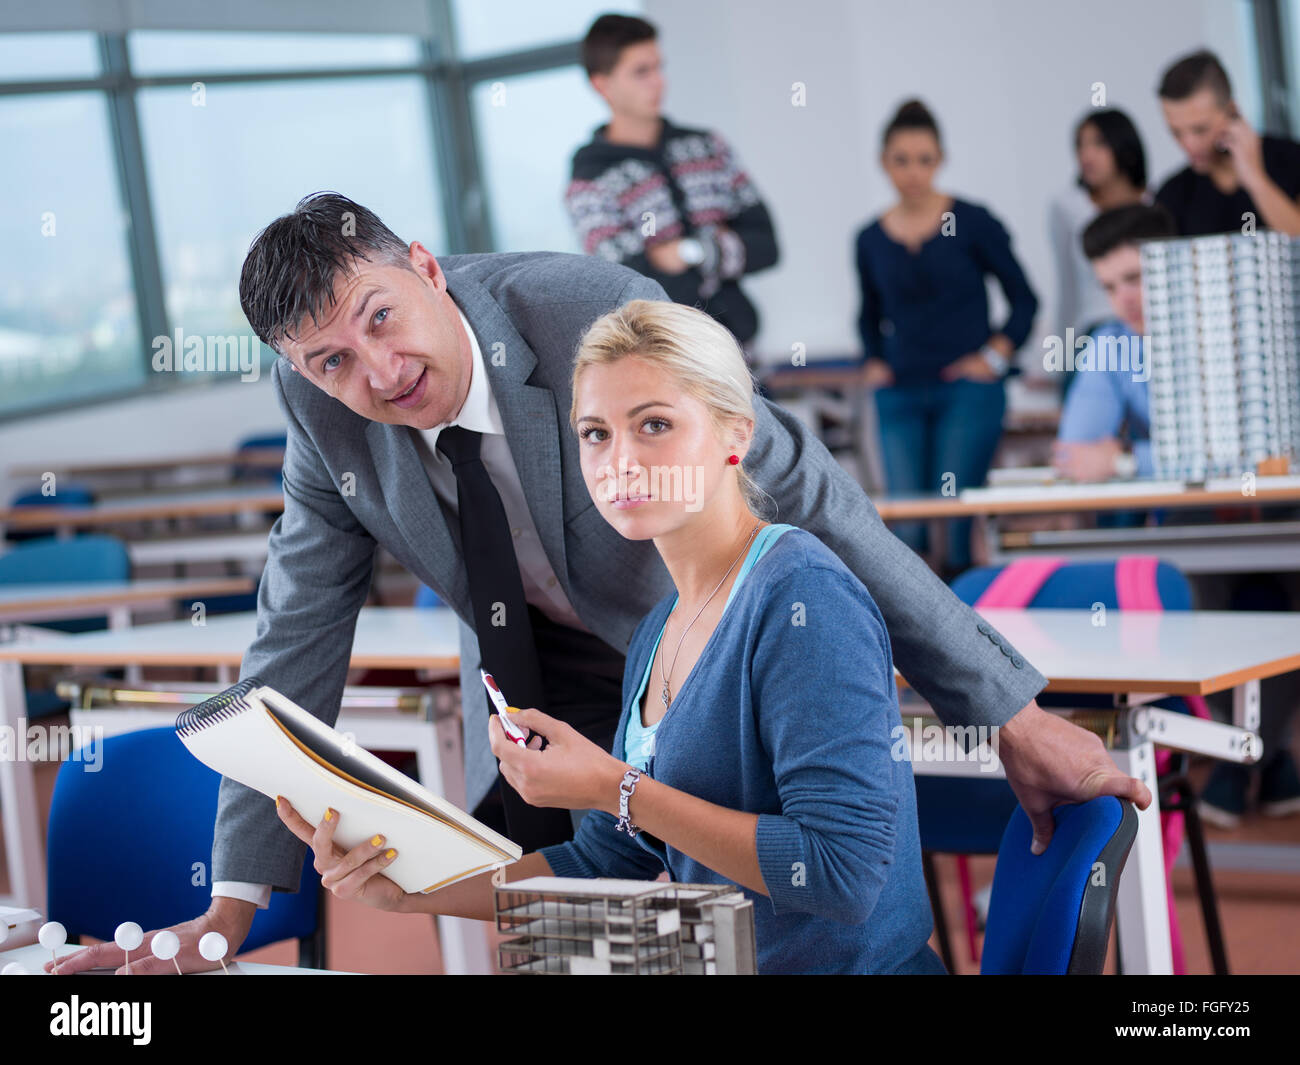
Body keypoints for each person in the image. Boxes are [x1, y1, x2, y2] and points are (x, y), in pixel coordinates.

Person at [52, 192, 1146, 976]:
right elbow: (295, 633)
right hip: (582, 686)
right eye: (329, 360)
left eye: (380, 318)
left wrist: (1000, 708)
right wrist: (234, 908)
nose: (374, 374)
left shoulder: (594, 323)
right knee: (575, 914)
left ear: (427, 269)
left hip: (716, 648)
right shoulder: (327, 413)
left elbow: (809, 506)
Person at [275, 300, 948, 975]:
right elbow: (602, 861)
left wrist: (614, 786)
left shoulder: (802, 595)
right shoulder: (659, 628)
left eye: (654, 424)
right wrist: (414, 888)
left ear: (733, 435)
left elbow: (840, 872)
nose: (620, 461)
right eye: (595, 433)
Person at [855, 99, 1039, 577]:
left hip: (967, 389)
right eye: (900, 160)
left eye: (924, 160)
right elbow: (868, 313)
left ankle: (965, 637)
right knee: (908, 532)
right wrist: (874, 361)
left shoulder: (973, 221)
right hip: (899, 393)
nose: (913, 172)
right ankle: (913, 643)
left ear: (940, 161)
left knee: (955, 522)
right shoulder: (869, 238)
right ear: (883, 163)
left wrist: (994, 358)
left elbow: (1024, 300)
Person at [565, 13, 778, 350]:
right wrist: (723, 248)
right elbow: (630, 285)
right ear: (602, 85)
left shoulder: (708, 146)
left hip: (744, 353)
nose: (658, 82)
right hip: (667, 359)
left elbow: (767, 246)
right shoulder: (590, 178)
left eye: (659, 67)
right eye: (641, 72)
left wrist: (690, 251)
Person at [1052, 203, 1176, 483]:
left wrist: (1126, 460)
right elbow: (1075, 456)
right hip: (1180, 510)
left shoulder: (1222, 328)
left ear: (1171, 264)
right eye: (1109, 287)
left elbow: (1242, 457)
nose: (1124, 299)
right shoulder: (1112, 343)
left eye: (1134, 278)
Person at [1155, 49, 1300, 237]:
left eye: (1200, 130)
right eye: (1176, 132)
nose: (1188, 144)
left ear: (1231, 110)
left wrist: (1255, 179)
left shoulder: (1291, 160)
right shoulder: (1173, 194)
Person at [1048, 109, 1149, 348]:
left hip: (1150, 326)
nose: (1086, 155)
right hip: (1095, 329)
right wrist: (1058, 357)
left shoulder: (1157, 201)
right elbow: (1067, 289)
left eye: (1099, 144)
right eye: (1080, 146)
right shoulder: (1067, 208)